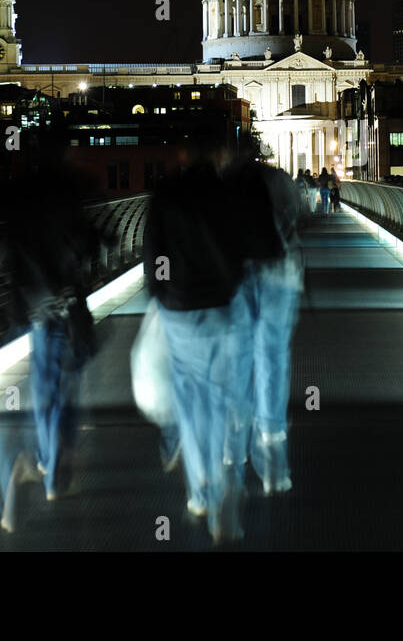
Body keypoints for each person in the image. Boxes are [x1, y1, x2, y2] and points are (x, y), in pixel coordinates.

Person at [143, 142, 252, 544]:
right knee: (220, 397)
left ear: (184, 154)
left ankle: (201, 493)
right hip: (221, 304)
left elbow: (154, 252)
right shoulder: (227, 193)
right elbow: (242, 248)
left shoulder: (166, 193)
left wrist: (159, 294)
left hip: (180, 307)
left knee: (190, 402)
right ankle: (223, 488)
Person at [0, 120, 102, 532]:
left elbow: (7, 241)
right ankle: (51, 470)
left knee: (44, 382)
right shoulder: (68, 190)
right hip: (63, 295)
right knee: (66, 384)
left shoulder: (22, 189)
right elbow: (84, 239)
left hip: (30, 299)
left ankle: (37, 459)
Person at [228, 155, 303, 495]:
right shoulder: (278, 180)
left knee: (238, 359)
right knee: (272, 361)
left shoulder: (226, 180)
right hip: (278, 272)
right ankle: (274, 469)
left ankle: (233, 450)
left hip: (237, 275)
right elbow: (299, 216)